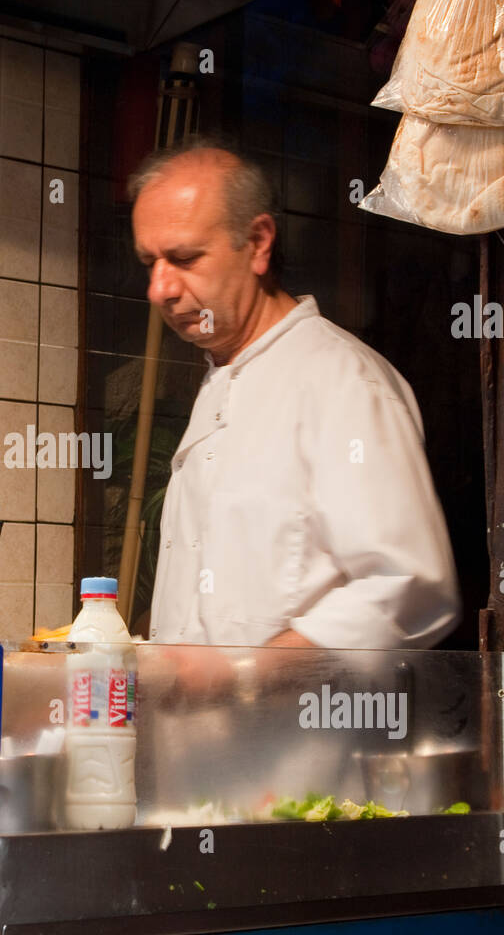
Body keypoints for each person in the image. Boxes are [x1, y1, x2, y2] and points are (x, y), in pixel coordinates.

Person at [129, 141, 460, 688]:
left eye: (184, 258)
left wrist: (244, 673)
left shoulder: (343, 382)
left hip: (303, 760)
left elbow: (408, 586)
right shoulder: (220, 378)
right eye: (150, 263)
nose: (159, 289)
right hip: (194, 758)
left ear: (258, 244)